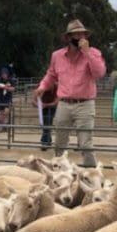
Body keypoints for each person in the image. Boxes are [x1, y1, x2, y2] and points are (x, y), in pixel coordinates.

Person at [34, 19, 107, 167]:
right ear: (68, 38)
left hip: (85, 103)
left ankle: (90, 173)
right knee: (60, 141)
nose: (80, 37)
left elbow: (99, 73)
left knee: (86, 142)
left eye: (83, 34)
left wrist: (87, 53)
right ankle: (58, 171)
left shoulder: (94, 53)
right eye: (76, 34)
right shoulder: (57, 56)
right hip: (64, 103)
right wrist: (42, 87)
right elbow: (51, 75)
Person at [32, 83, 58, 150]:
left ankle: (45, 142)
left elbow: (56, 102)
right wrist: (39, 105)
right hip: (42, 107)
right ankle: (47, 141)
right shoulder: (40, 87)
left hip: (52, 107)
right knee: (46, 124)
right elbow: (33, 102)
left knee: (47, 122)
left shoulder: (56, 87)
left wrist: (46, 105)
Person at [0, 67, 16, 131]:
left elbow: (13, 89)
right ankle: (3, 125)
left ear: (7, 74)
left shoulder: (10, 80)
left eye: (5, 74)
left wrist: (6, 88)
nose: (4, 75)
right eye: (2, 74)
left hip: (8, 98)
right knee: (1, 112)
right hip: (1, 98)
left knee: (6, 111)